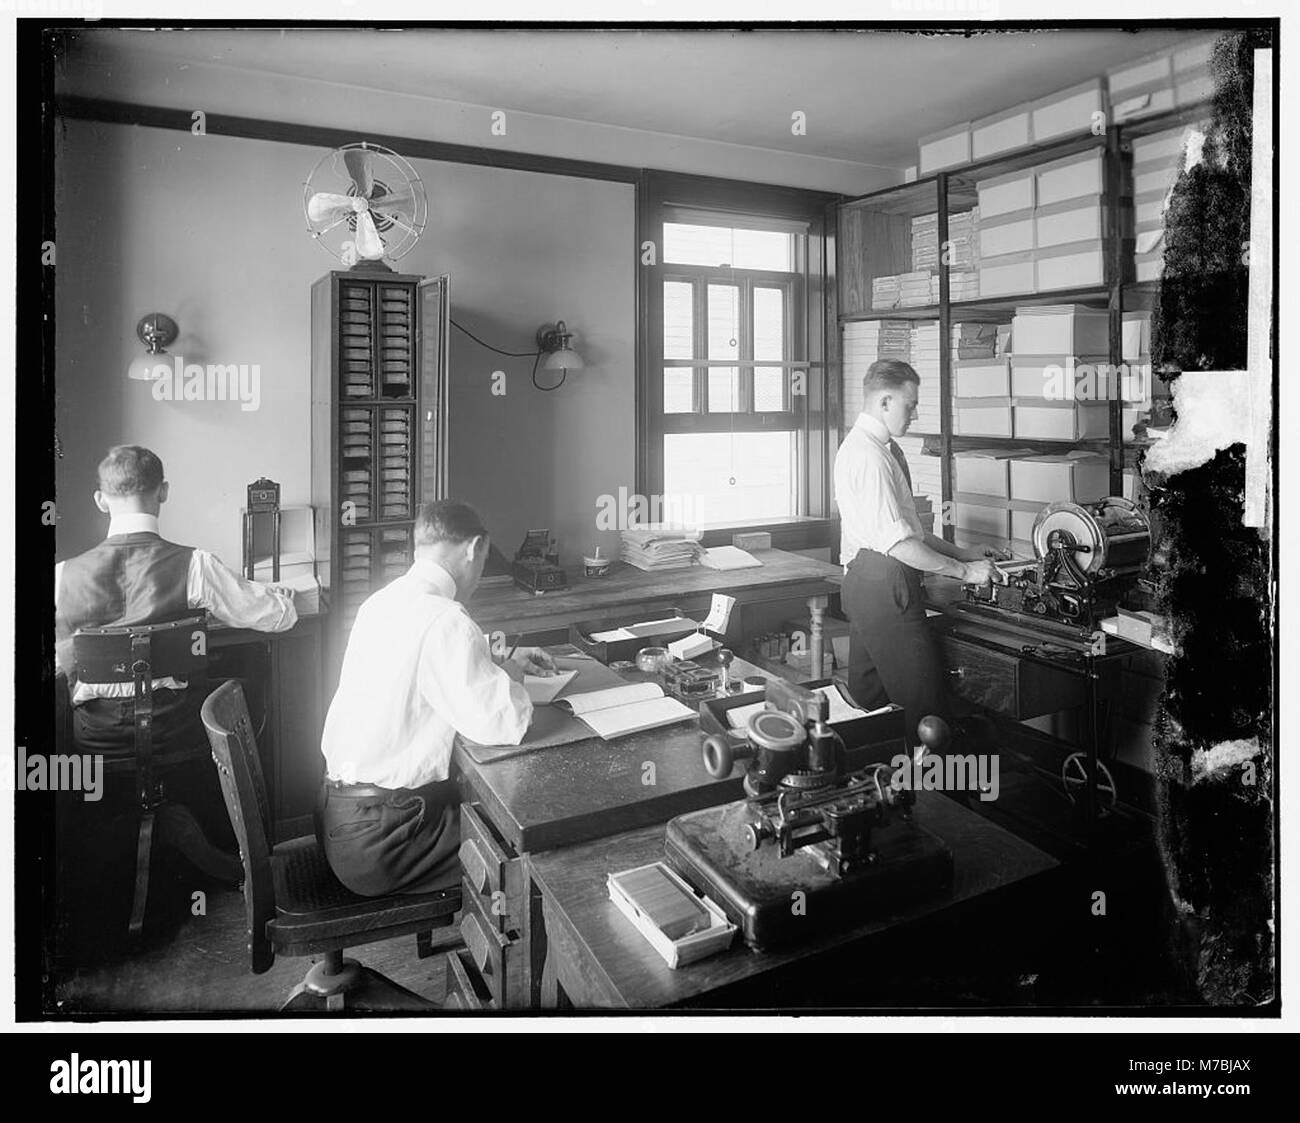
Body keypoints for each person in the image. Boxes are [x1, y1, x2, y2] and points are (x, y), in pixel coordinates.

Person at [52, 445, 298, 914]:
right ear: (163, 492)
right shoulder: (195, 564)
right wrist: (278, 597)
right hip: (173, 728)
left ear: (101, 501)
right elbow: (277, 618)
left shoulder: (62, 577)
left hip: (96, 739)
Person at [319, 498, 555, 897]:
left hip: (342, 820)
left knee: (492, 817)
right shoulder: (446, 619)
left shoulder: (381, 602)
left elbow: (417, 674)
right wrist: (511, 679)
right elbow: (505, 724)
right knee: (533, 844)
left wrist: (500, 663)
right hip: (388, 841)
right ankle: (505, 954)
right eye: (482, 560)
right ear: (474, 548)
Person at [833, 360, 1003, 739]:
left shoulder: (878, 449)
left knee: (870, 701)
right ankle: (939, 796)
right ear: (885, 402)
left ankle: (887, 787)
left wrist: (964, 553)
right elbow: (900, 545)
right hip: (885, 585)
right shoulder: (871, 457)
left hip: (866, 584)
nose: (914, 414)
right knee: (928, 715)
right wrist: (966, 573)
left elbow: (911, 532)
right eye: (909, 406)